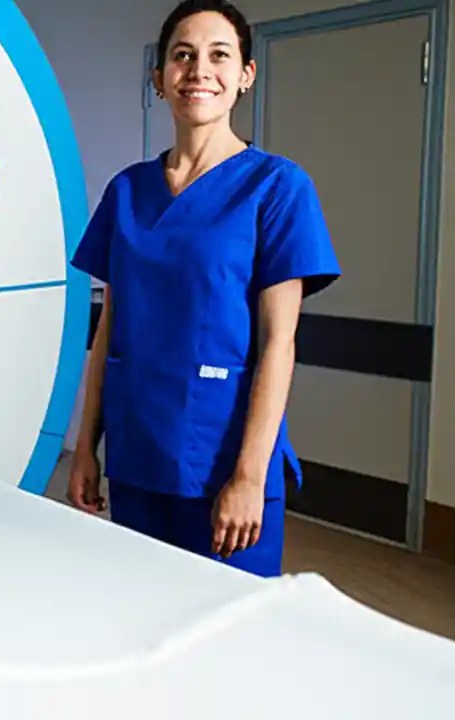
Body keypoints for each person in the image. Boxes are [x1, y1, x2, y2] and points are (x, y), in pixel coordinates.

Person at [66, 0, 341, 578]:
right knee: (139, 617)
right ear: (159, 77)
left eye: (220, 55)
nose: (199, 70)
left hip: (224, 464)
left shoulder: (277, 188)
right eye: (182, 55)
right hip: (138, 457)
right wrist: (86, 447)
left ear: (245, 75)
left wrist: (249, 476)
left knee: (227, 638)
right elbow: (108, 332)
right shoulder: (128, 191)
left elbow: (277, 344)